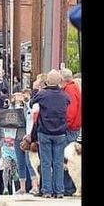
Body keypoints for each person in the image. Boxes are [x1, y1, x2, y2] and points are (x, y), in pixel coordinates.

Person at [30, 70, 70, 198]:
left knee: (46, 162)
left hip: (45, 132)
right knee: (58, 162)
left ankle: (47, 190)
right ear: (59, 81)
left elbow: (31, 103)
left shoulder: (43, 94)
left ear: (48, 81)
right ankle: (59, 191)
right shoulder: (64, 96)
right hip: (60, 133)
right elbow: (68, 103)